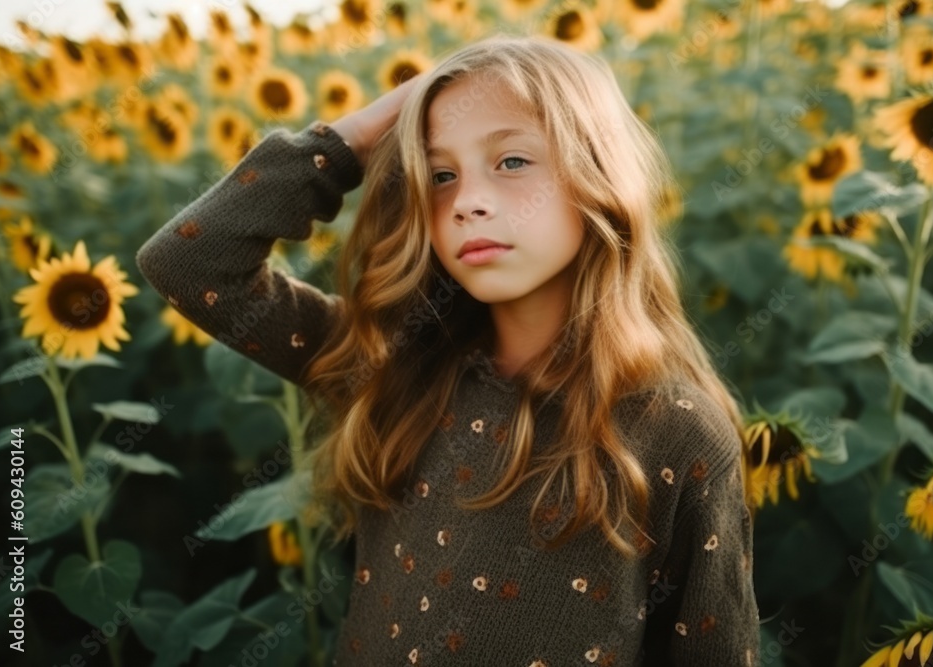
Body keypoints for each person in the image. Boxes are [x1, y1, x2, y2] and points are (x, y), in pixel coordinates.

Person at [136, 32, 761, 666]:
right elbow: (189, 261)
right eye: (440, 175)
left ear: (599, 177)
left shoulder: (675, 432)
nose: (467, 202)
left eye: (512, 162)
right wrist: (347, 142)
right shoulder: (395, 371)